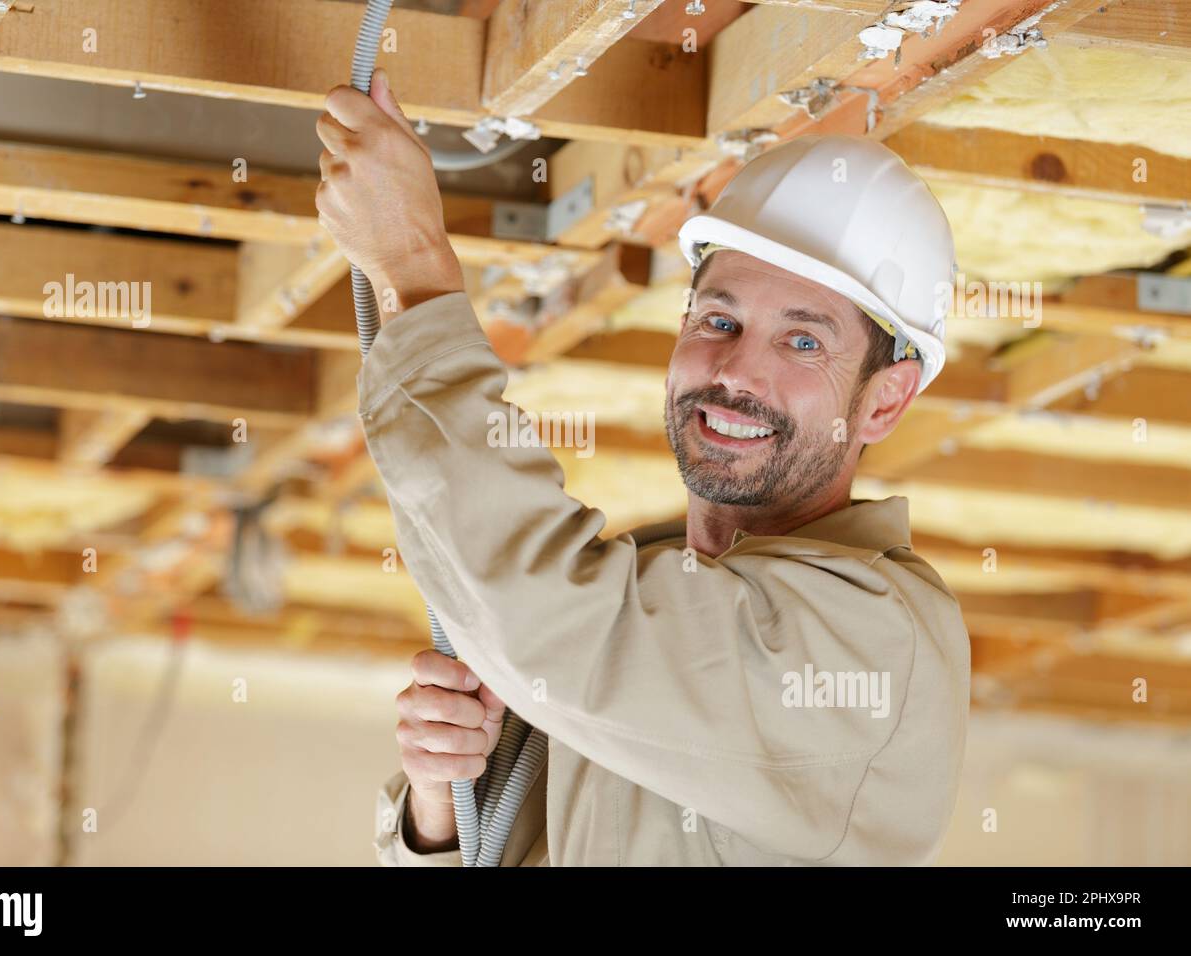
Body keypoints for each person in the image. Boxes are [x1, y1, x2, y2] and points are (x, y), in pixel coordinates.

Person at [315, 68, 970, 866]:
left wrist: (414, 261)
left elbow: (540, 613)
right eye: (719, 319)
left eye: (803, 341)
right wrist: (441, 808)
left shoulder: (873, 641)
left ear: (883, 402)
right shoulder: (654, 607)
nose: (736, 372)